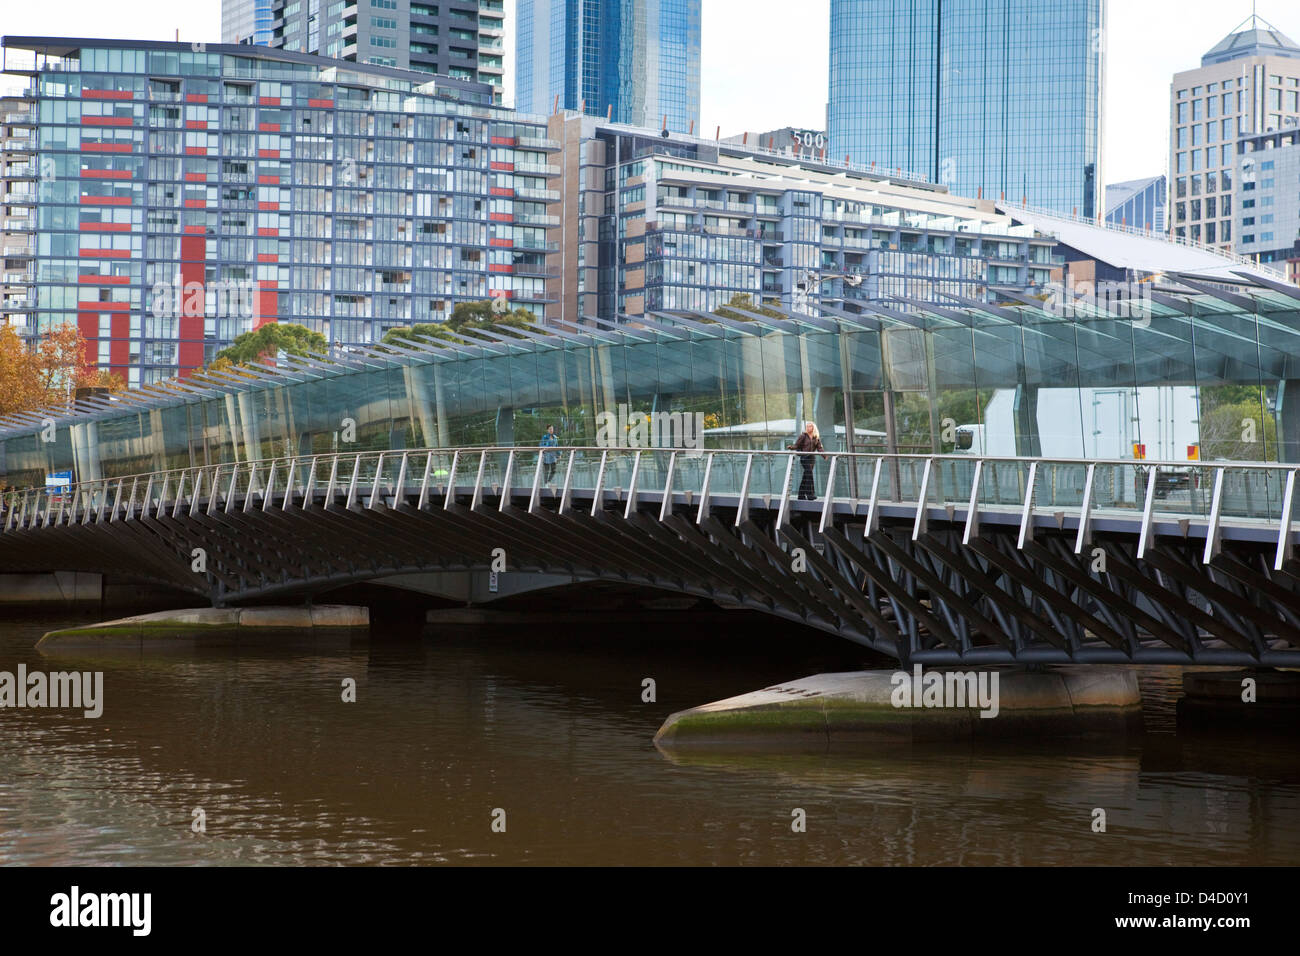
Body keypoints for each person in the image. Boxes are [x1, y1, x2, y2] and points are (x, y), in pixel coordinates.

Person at [788, 421, 826, 500]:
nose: (808, 428)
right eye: (807, 426)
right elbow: (797, 445)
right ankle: (810, 495)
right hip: (804, 458)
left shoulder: (816, 437)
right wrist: (791, 447)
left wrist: (824, 455)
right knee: (809, 475)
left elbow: (819, 448)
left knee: (806, 476)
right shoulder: (803, 436)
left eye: (810, 426)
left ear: (813, 428)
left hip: (812, 459)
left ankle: (801, 495)